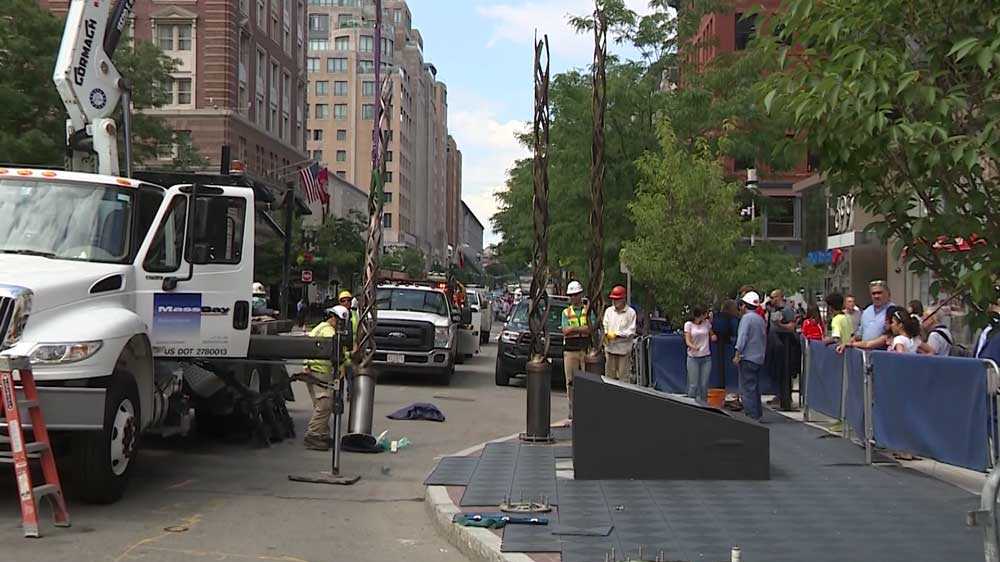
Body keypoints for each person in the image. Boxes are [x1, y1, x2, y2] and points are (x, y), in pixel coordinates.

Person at [302, 306, 352, 451]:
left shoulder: (319, 328)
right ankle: (314, 435)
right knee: (325, 405)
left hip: (311, 371)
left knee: (320, 405)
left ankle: (322, 434)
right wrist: (349, 359)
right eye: (340, 322)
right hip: (320, 372)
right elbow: (336, 355)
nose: (341, 325)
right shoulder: (330, 333)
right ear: (333, 318)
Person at [734, 291, 767, 421]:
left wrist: (737, 354)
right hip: (758, 358)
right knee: (754, 387)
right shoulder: (760, 319)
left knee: (747, 388)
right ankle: (757, 413)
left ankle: (751, 416)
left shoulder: (746, 319)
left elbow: (742, 338)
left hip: (747, 357)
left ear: (744, 305)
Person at [560, 280, 591, 417]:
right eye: (571, 295)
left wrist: (573, 329)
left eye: (576, 294)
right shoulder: (566, 312)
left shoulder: (587, 311)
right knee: (570, 381)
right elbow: (565, 331)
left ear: (580, 295)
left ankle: (585, 407)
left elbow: (590, 329)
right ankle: (572, 408)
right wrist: (579, 329)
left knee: (586, 380)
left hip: (585, 349)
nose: (573, 297)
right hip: (570, 350)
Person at [767, 289, 798, 411]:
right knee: (778, 372)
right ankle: (780, 396)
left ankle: (786, 399)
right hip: (775, 344)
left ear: (780, 297)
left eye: (774, 297)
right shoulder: (773, 310)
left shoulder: (787, 310)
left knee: (785, 373)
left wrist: (780, 325)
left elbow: (791, 327)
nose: (772, 300)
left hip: (785, 345)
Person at [603, 285, 637, 382]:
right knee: (609, 378)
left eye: (617, 299)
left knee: (624, 378)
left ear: (623, 299)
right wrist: (606, 334)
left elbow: (631, 331)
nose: (615, 301)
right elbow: (605, 325)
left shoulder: (631, 313)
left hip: (623, 351)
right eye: (613, 299)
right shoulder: (609, 311)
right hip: (610, 349)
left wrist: (617, 334)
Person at [684, 305, 715, 402]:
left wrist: (713, 336)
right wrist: (693, 347)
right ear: (700, 315)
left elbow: (711, 333)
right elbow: (687, 340)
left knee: (704, 385)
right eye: (705, 314)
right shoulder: (688, 325)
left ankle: (704, 404)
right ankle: (690, 403)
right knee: (693, 385)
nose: (706, 316)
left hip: (706, 357)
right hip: (693, 357)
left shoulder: (706, 323)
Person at [712, 300, 741, 387]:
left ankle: (721, 384)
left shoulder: (717, 316)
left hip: (718, 340)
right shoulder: (733, 318)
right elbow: (736, 330)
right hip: (726, 340)